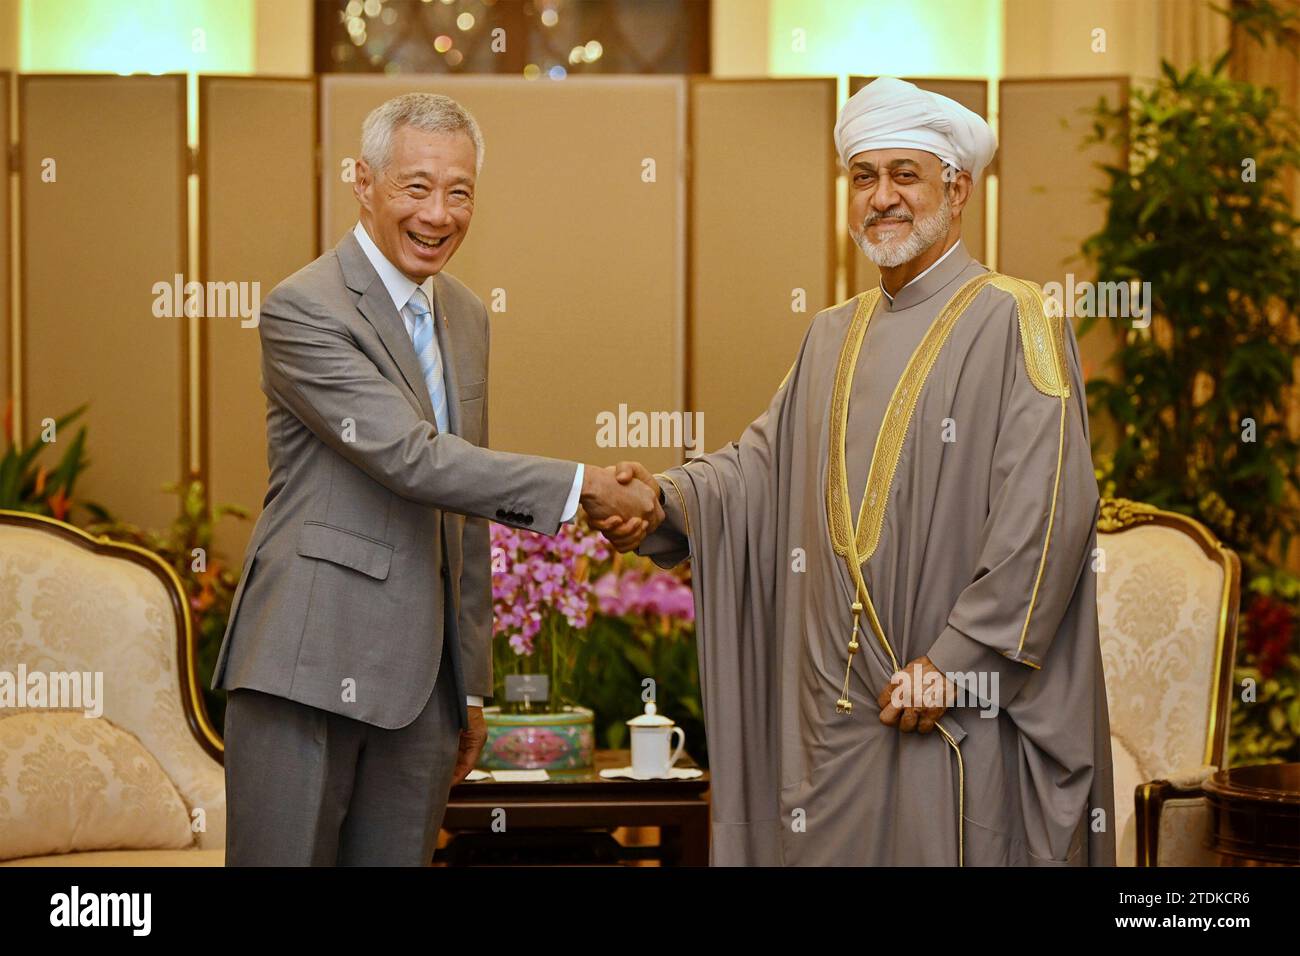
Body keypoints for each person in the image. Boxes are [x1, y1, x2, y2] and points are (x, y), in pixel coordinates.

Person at [598, 77, 1115, 866]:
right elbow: (758, 471)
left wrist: (954, 667)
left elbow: (1046, 513)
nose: (883, 198)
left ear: (958, 187)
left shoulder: (1018, 317)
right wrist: (665, 499)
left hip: (947, 708)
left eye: (905, 174)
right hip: (835, 720)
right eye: (863, 177)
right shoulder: (831, 335)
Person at [212, 92, 661, 866]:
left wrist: (473, 685)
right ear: (364, 182)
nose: (439, 214)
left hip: (426, 692)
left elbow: (466, 508)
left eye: (460, 192)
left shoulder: (466, 315)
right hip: (308, 665)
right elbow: (413, 458)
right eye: (415, 186)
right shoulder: (303, 308)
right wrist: (585, 484)